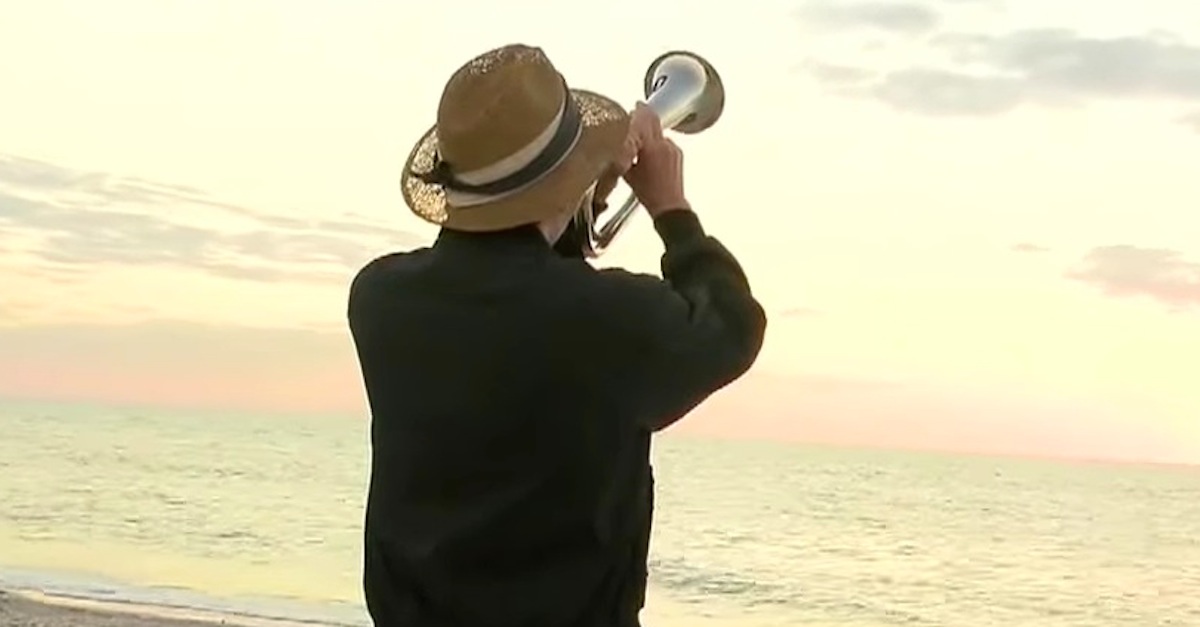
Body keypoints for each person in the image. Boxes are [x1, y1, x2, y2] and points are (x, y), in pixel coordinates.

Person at [347, 43, 767, 627]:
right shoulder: (609, 319)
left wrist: (573, 199)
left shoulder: (379, 298)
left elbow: (527, 303)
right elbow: (733, 328)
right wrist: (670, 207)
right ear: (562, 179)